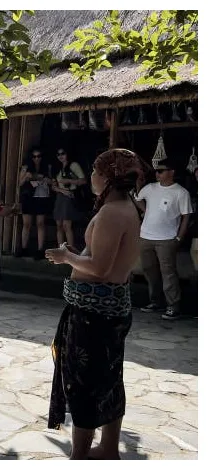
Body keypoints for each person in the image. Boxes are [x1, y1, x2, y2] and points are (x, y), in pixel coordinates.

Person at [45, 148, 149, 460]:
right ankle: (107, 447)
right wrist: (78, 255)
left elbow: (100, 268)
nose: (90, 176)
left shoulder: (112, 212)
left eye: (94, 170)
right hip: (110, 309)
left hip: (93, 314)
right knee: (109, 379)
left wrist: (66, 257)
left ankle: (81, 454)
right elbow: (102, 259)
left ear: (107, 176)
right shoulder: (127, 206)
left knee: (85, 384)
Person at [132, 158, 193, 320]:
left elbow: (186, 216)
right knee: (149, 270)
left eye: (161, 171)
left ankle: (173, 306)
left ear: (171, 172)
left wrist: (179, 237)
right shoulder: (150, 188)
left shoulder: (181, 192)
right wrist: (147, 211)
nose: (157, 174)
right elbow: (137, 198)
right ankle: (155, 301)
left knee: (168, 273)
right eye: (156, 171)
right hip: (145, 236)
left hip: (167, 238)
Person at [17, 148, 52, 259]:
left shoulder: (47, 166)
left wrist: (45, 179)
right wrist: (27, 176)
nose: (37, 159)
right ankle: (24, 248)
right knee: (26, 223)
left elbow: (52, 181)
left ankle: (40, 249)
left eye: (39, 156)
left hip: (41, 196)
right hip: (28, 196)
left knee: (40, 223)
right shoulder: (26, 167)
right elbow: (20, 183)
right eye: (34, 156)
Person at [52, 148, 88, 250]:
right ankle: (60, 249)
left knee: (66, 225)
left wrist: (69, 180)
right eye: (58, 154)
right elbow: (53, 186)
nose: (60, 156)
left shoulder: (73, 165)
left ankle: (71, 250)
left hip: (70, 195)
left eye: (63, 153)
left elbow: (83, 181)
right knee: (58, 225)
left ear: (67, 154)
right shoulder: (57, 167)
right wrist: (62, 190)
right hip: (60, 195)